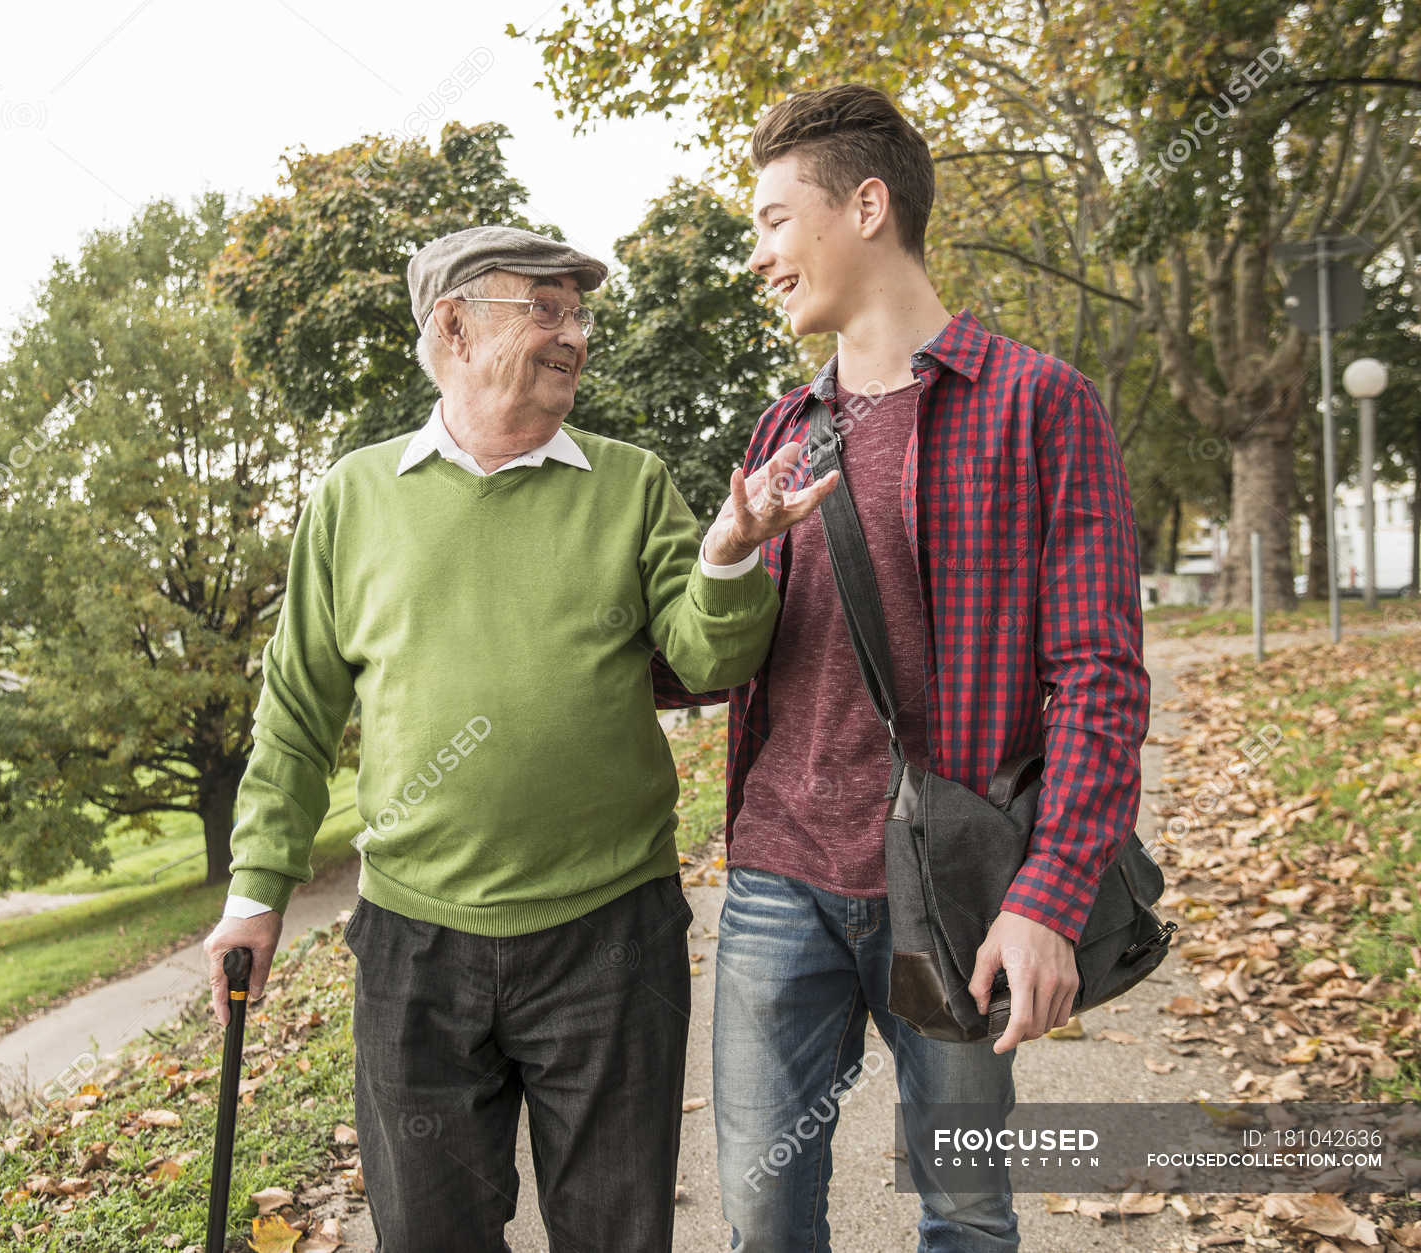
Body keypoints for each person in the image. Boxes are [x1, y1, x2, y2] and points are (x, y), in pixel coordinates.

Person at [202, 224, 839, 1252]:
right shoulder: (354, 499)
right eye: (544, 309)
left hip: (610, 933)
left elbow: (712, 659)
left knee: (616, 1231)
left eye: (580, 313)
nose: (575, 335)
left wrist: (728, 553)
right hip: (415, 940)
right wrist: (255, 892)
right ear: (452, 325)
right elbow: (297, 709)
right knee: (428, 1233)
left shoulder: (628, 483)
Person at [653, 86, 1151, 1250]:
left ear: (867, 205)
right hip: (779, 881)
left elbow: (1098, 676)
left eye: (775, 220)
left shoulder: (1041, 405)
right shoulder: (782, 432)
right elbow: (712, 664)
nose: (758, 255)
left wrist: (1051, 896)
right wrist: (725, 557)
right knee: (764, 1218)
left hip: (959, 890)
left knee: (966, 1209)